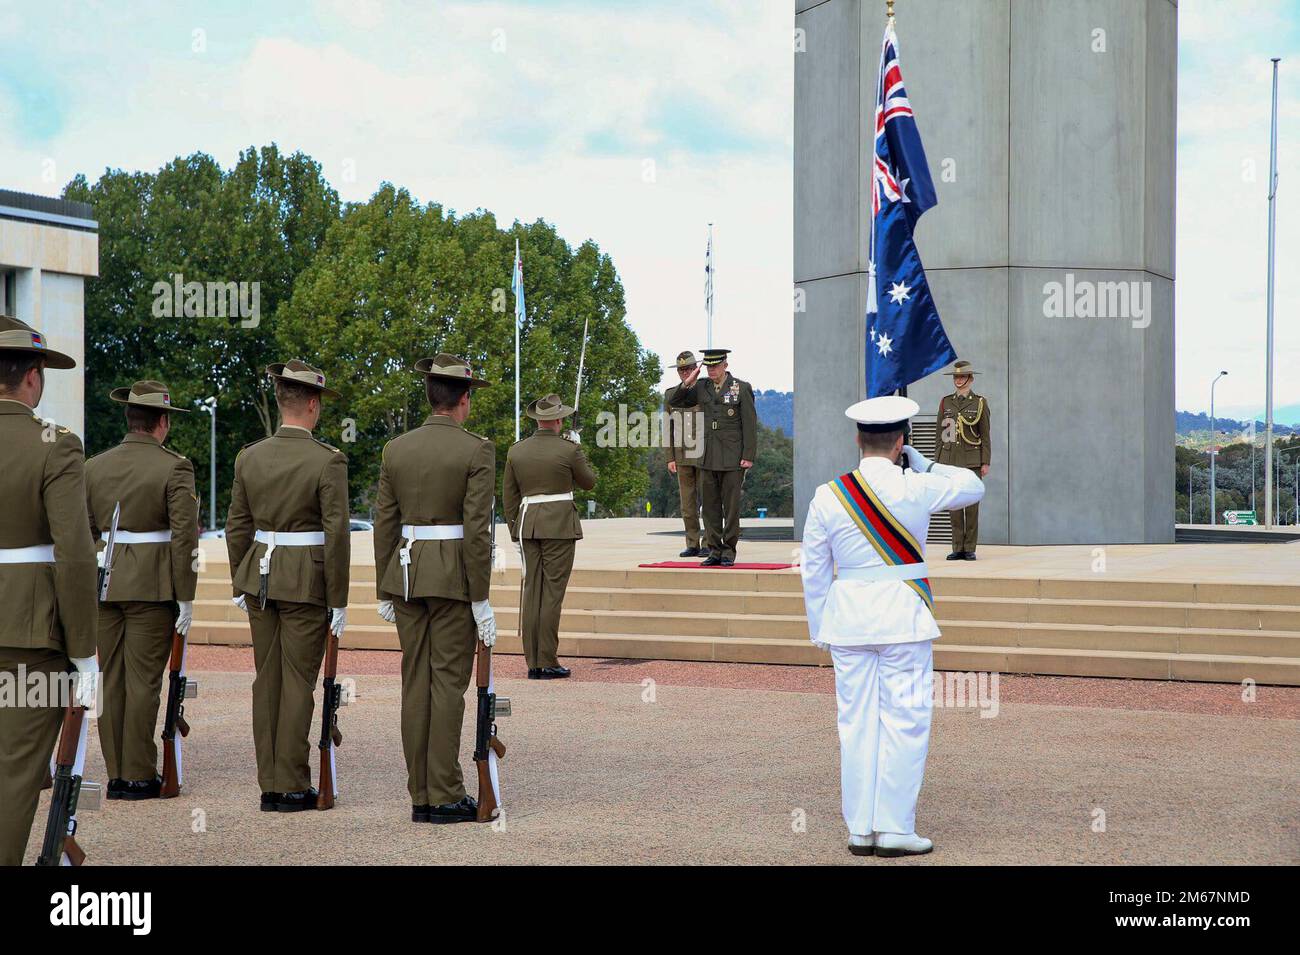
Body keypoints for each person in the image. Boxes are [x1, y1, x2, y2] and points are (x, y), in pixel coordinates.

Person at [800, 395, 984, 858]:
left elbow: (814, 571)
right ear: (901, 441)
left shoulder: (828, 495)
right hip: (903, 618)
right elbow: (972, 486)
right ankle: (895, 827)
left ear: (857, 440)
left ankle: (861, 828)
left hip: (849, 622)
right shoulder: (917, 486)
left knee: (855, 724)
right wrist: (921, 462)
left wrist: (820, 627)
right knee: (905, 721)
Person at [373, 354, 496, 824]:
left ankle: (420, 792)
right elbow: (476, 529)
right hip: (452, 578)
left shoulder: (395, 449)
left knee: (415, 683)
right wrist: (480, 596)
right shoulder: (475, 450)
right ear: (463, 400)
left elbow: (386, 522)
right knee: (447, 684)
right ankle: (443, 793)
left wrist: (385, 584)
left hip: (406, 576)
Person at [226, 360, 350, 813]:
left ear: (282, 403)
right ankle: (292, 784)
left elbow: (236, 525)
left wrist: (240, 576)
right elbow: (336, 534)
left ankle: (269, 784)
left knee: (268, 681)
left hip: (258, 574)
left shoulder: (249, 456)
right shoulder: (328, 459)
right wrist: (338, 598)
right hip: (305, 581)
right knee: (297, 682)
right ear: (313, 405)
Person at [0, 317, 98, 865]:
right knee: (14, 773)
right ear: (32, 378)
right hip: (26, 632)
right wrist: (83, 650)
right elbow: (76, 555)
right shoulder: (55, 444)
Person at [85, 380, 199, 800]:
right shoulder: (174, 467)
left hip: (103, 583)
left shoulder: (92, 466)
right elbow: (184, 538)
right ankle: (137, 773)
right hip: (151, 586)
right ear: (162, 422)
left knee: (111, 678)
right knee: (143, 681)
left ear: (130, 420)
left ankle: (117, 771)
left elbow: (82, 533)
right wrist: (185, 594)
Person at [503, 393, 597, 679]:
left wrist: (515, 530)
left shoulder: (516, 450)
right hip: (558, 526)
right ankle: (547, 659)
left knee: (533, 592)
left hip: (528, 524)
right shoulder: (569, 449)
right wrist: (578, 449)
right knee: (552, 594)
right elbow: (588, 482)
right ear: (558, 419)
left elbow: (509, 495)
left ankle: (533, 661)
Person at [666, 348, 756, 566]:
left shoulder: (740, 388)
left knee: (731, 507)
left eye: (715, 366)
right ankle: (714, 550)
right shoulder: (701, 386)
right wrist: (689, 380)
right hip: (706, 455)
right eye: (708, 366)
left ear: (725, 364)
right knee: (710, 507)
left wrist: (748, 455)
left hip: (732, 456)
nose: (712, 370)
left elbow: (750, 424)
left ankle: (728, 551)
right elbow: (675, 400)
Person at [935, 360, 990, 560]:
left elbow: (985, 435)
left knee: (972, 505)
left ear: (970, 379)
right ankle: (957, 546)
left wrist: (985, 461)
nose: (958, 380)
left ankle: (970, 548)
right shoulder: (946, 402)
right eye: (956, 377)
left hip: (972, 459)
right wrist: (938, 462)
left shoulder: (979, 403)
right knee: (954, 504)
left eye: (962, 377)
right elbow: (940, 433)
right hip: (949, 459)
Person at [664, 350, 703, 556]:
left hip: (704, 454)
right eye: (681, 370)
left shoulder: (704, 390)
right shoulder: (671, 394)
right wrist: (670, 457)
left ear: (695, 369)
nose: (684, 372)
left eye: (688, 369)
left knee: (710, 502)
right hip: (681, 455)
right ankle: (693, 543)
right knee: (688, 504)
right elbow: (668, 428)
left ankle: (711, 542)